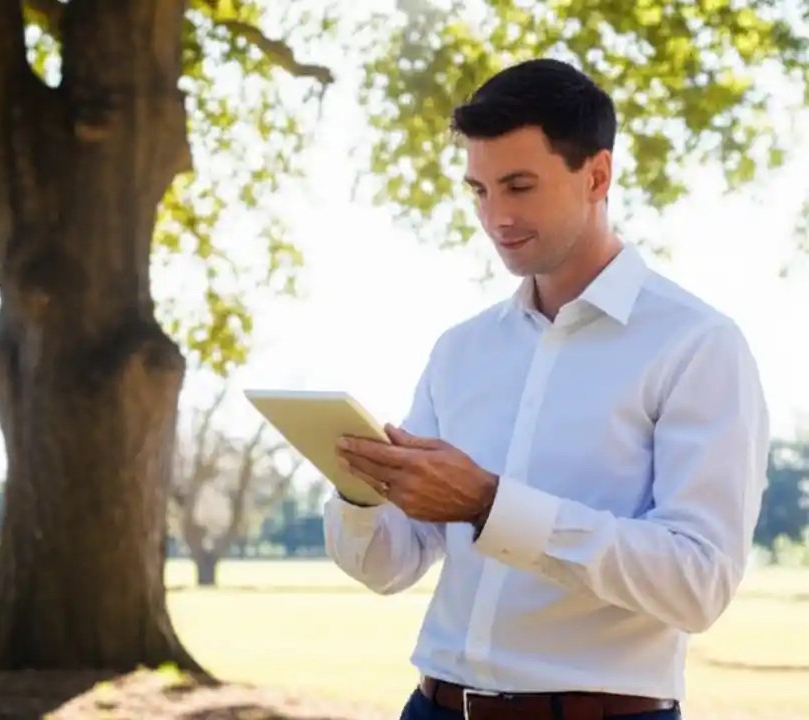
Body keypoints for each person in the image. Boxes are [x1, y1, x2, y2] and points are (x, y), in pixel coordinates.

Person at [326, 58, 770, 720]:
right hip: (433, 705)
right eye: (479, 190)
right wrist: (359, 493)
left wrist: (490, 504)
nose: (496, 216)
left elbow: (698, 583)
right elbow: (392, 565)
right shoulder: (461, 350)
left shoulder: (697, 345)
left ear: (596, 175)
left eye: (519, 185)